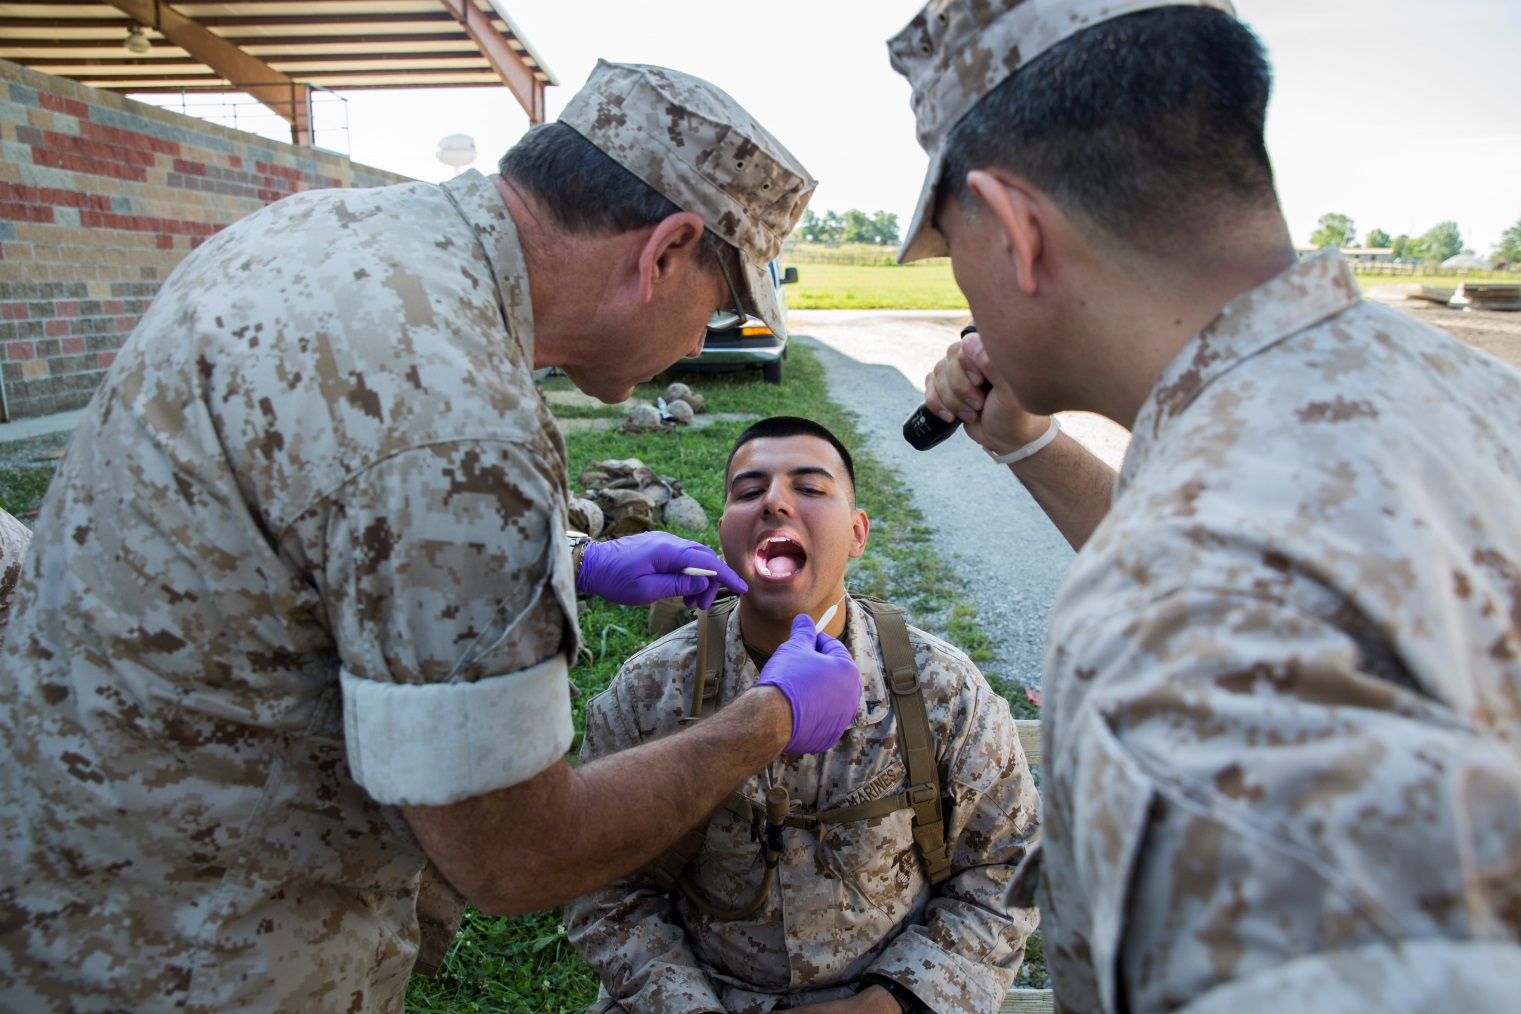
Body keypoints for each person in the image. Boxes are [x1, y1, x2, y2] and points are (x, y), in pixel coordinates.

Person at [0, 62, 865, 1013]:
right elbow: (514, 855)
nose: (704, 337)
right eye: (718, 304)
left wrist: (565, 564)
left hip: (83, 874)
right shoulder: (460, 421)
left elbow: (314, 523)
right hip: (198, 955)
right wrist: (767, 720)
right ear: (665, 252)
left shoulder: (324, 231)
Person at [897, 0, 1521, 1009]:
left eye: (947, 246)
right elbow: (1280, 542)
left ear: (1014, 230)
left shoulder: (1167, 618)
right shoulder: (1463, 397)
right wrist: (1028, 443)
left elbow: (1214, 570)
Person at [566, 416, 1039, 1014]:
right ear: (722, 533)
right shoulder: (649, 691)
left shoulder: (940, 688)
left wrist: (882, 1006)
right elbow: (603, 886)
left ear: (857, 533)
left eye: (810, 489)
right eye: (748, 491)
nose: (775, 503)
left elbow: (1005, 867)